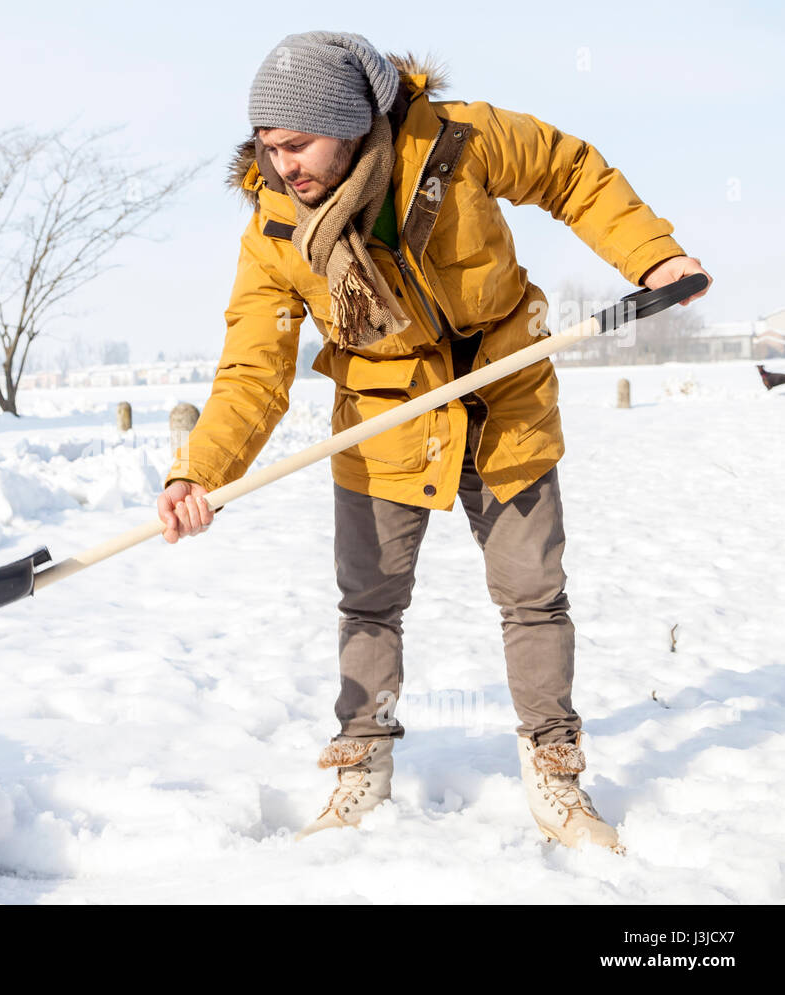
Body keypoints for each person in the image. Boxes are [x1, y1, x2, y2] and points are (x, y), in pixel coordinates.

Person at [155, 31, 711, 852]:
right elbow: (252, 368)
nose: (283, 168)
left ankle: (554, 770)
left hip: (505, 392)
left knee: (533, 594)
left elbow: (570, 171)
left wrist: (653, 256)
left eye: (298, 145)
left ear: (349, 123)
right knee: (370, 601)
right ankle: (364, 764)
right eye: (268, 149)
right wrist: (197, 470)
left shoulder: (458, 142)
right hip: (385, 420)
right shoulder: (277, 232)